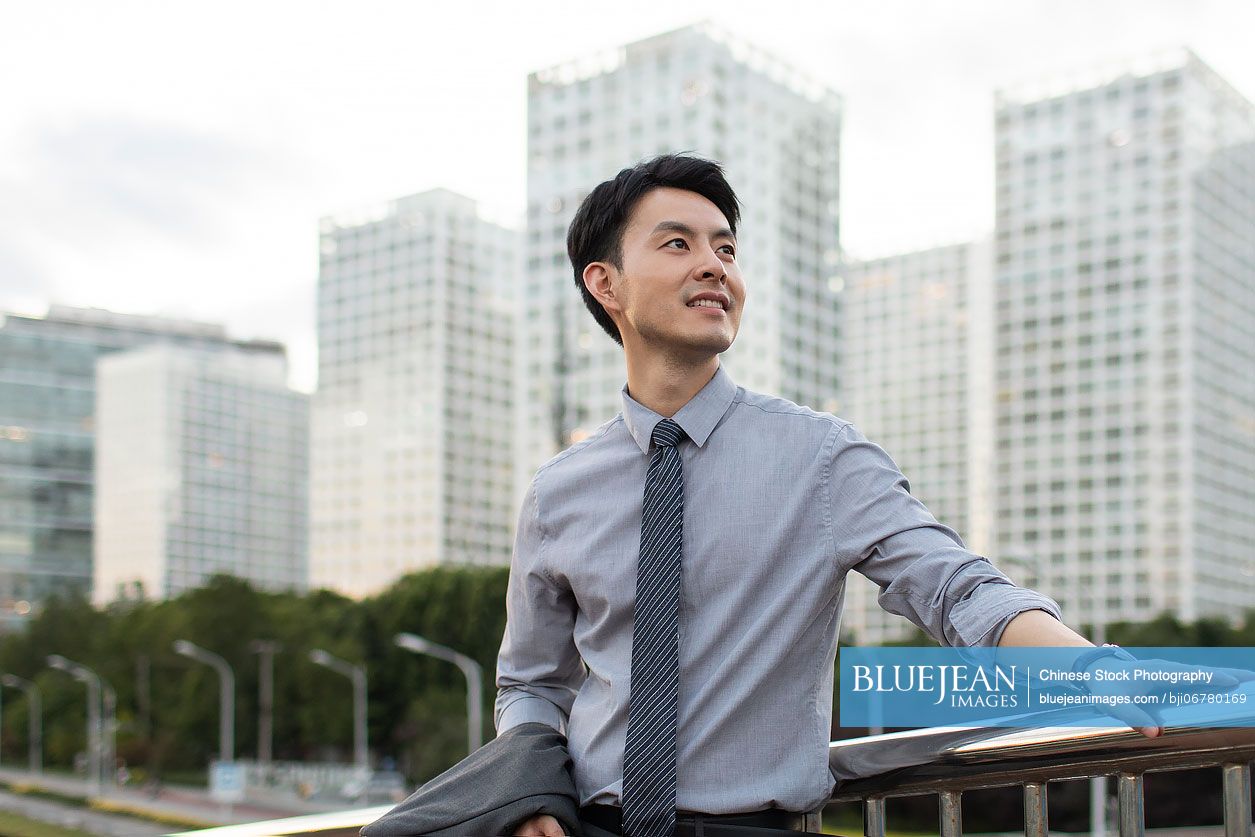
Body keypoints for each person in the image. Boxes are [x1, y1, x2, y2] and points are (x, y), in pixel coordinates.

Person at [495, 154, 1148, 837]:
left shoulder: (823, 457)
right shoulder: (557, 492)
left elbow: (956, 588)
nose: (715, 265)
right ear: (605, 283)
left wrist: (1079, 663)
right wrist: (530, 792)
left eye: (725, 248)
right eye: (677, 243)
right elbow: (531, 684)